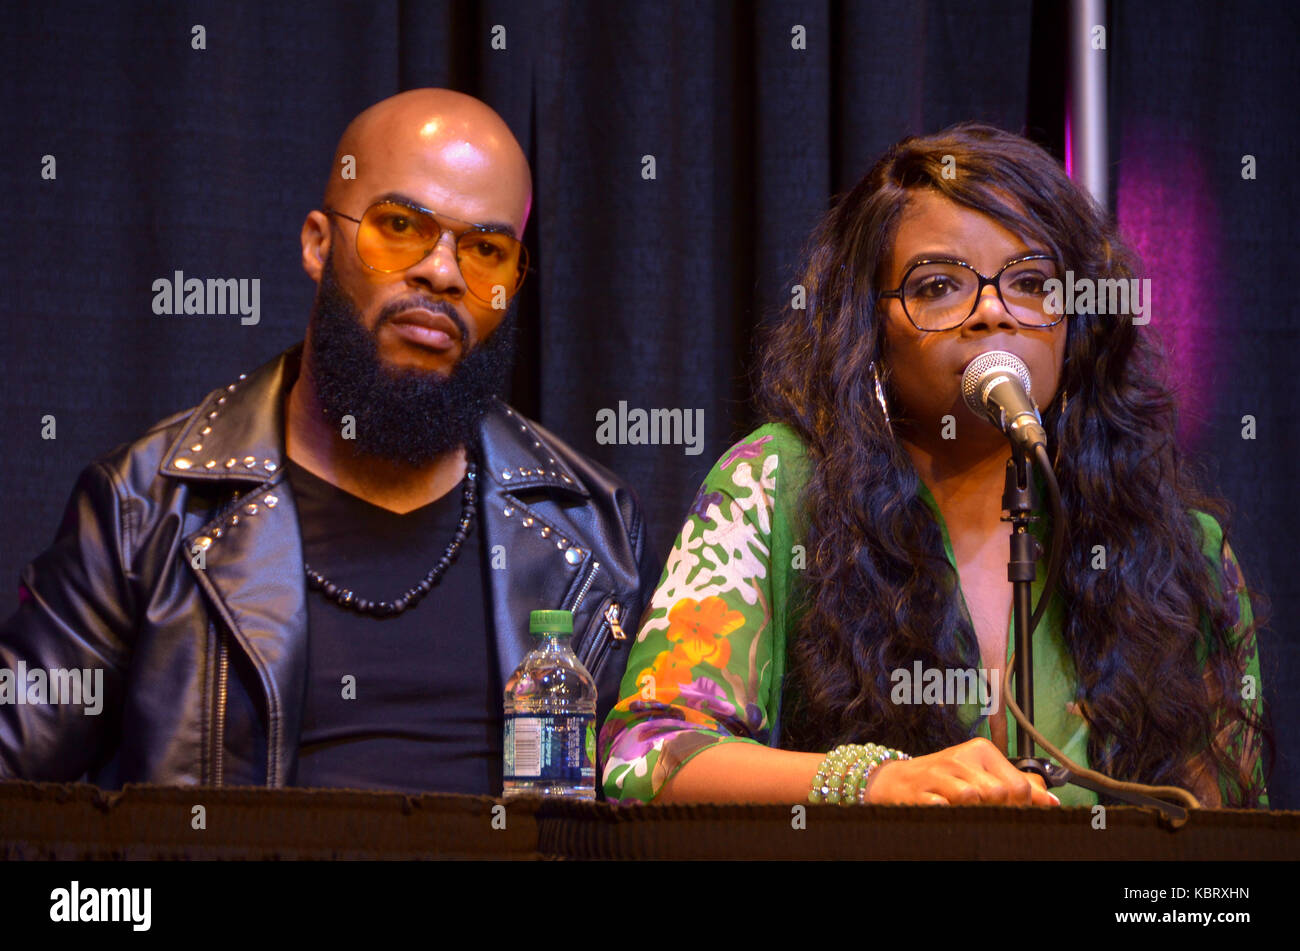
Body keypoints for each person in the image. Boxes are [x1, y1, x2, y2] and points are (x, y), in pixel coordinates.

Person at [0, 89, 658, 795]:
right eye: (402, 225)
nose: (442, 272)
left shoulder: (592, 528)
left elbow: (654, 782)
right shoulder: (148, 506)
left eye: (486, 250)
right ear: (319, 244)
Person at [601, 122, 1271, 809]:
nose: (990, 312)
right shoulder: (776, 483)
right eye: (939, 285)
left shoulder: (1182, 548)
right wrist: (869, 781)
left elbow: (1224, 837)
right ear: (869, 329)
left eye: (1032, 281)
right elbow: (647, 755)